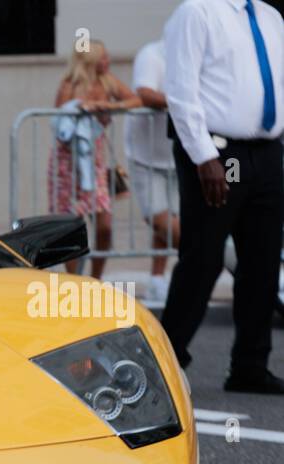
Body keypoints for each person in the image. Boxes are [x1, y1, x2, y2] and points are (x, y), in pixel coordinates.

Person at [163, 0, 284, 393]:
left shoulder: (270, 16)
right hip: (218, 153)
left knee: (263, 263)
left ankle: (249, 365)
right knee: (203, 258)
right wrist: (204, 156)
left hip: (265, 151)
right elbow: (181, 90)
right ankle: (165, 359)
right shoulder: (197, 12)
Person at [50, 40, 142, 279]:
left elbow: (136, 100)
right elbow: (61, 123)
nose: (107, 61)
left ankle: (95, 277)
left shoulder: (107, 81)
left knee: (105, 225)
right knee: (70, 226)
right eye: (102, 57)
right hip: (67, 162)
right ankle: (74, 280)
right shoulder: (69, 85)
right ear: (90, 59)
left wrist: (105, 106)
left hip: (95, 160)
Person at [126, 39, 181, 306]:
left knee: (173, 219)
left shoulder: (197, 55)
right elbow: (145, 93)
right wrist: (183, 102)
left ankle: (157, 281)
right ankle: (210, 254)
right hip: (145, 155)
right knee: (160, 221)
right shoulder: (152, 54)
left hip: (178, 155)